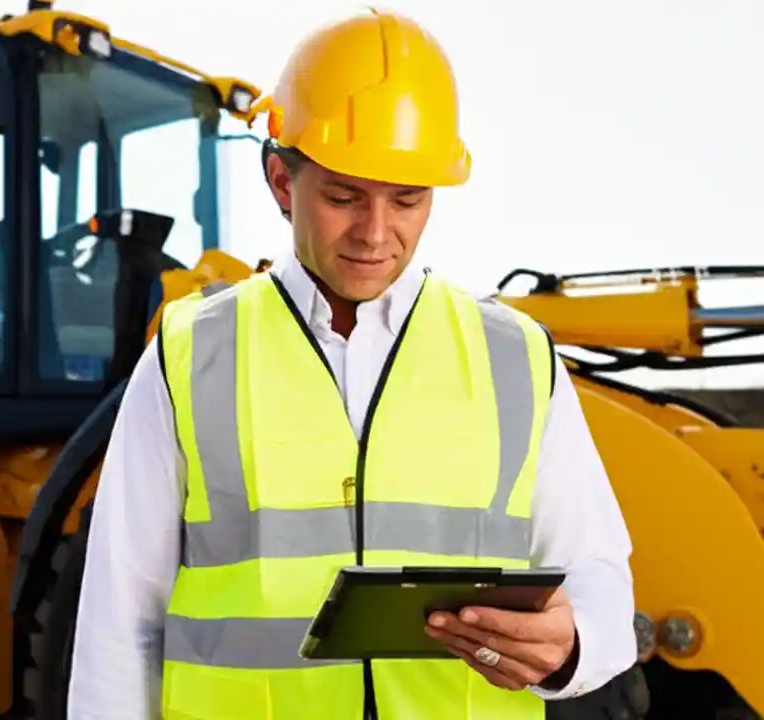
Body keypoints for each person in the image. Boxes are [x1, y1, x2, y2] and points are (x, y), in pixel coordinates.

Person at [67, 8, 637, 719]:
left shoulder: (517, 358)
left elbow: (600, 582)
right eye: (343, 197)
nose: (376, 233)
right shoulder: (189, 354)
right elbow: (120, 627)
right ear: (282, 182)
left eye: (407, 200)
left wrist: (571, 645)